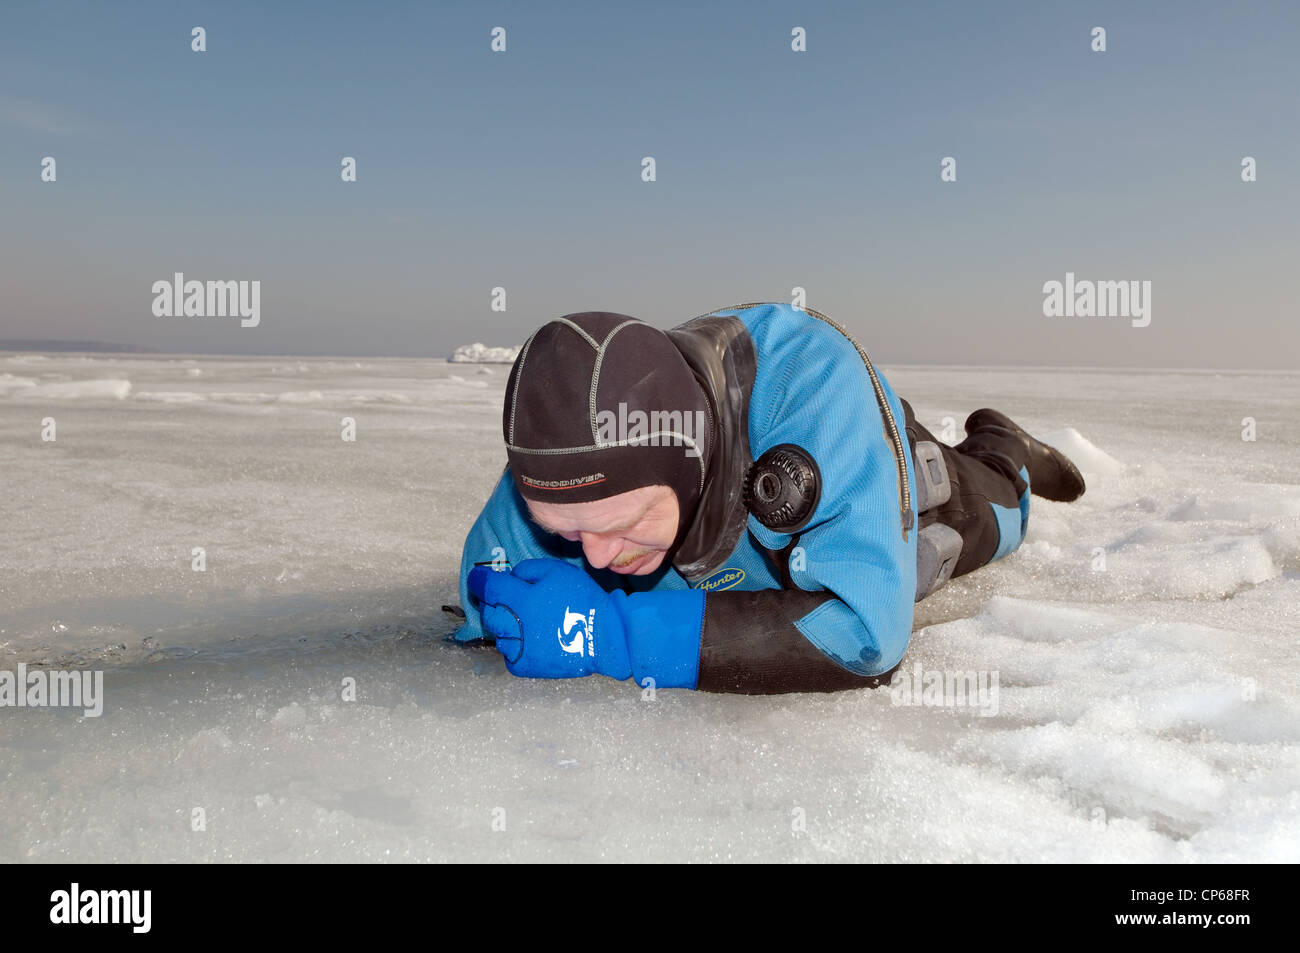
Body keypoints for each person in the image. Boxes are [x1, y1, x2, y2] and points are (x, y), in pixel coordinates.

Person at [449, 303, 1085, 693]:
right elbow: (487, 580)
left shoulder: (808, 379)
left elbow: (866, 639)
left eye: (627, 521)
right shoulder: (567, 471)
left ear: (687, 465)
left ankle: (1002, 445)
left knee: (984, 516)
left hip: (880, 465)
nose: (591, 557)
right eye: (562, 531)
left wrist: (614, 635)